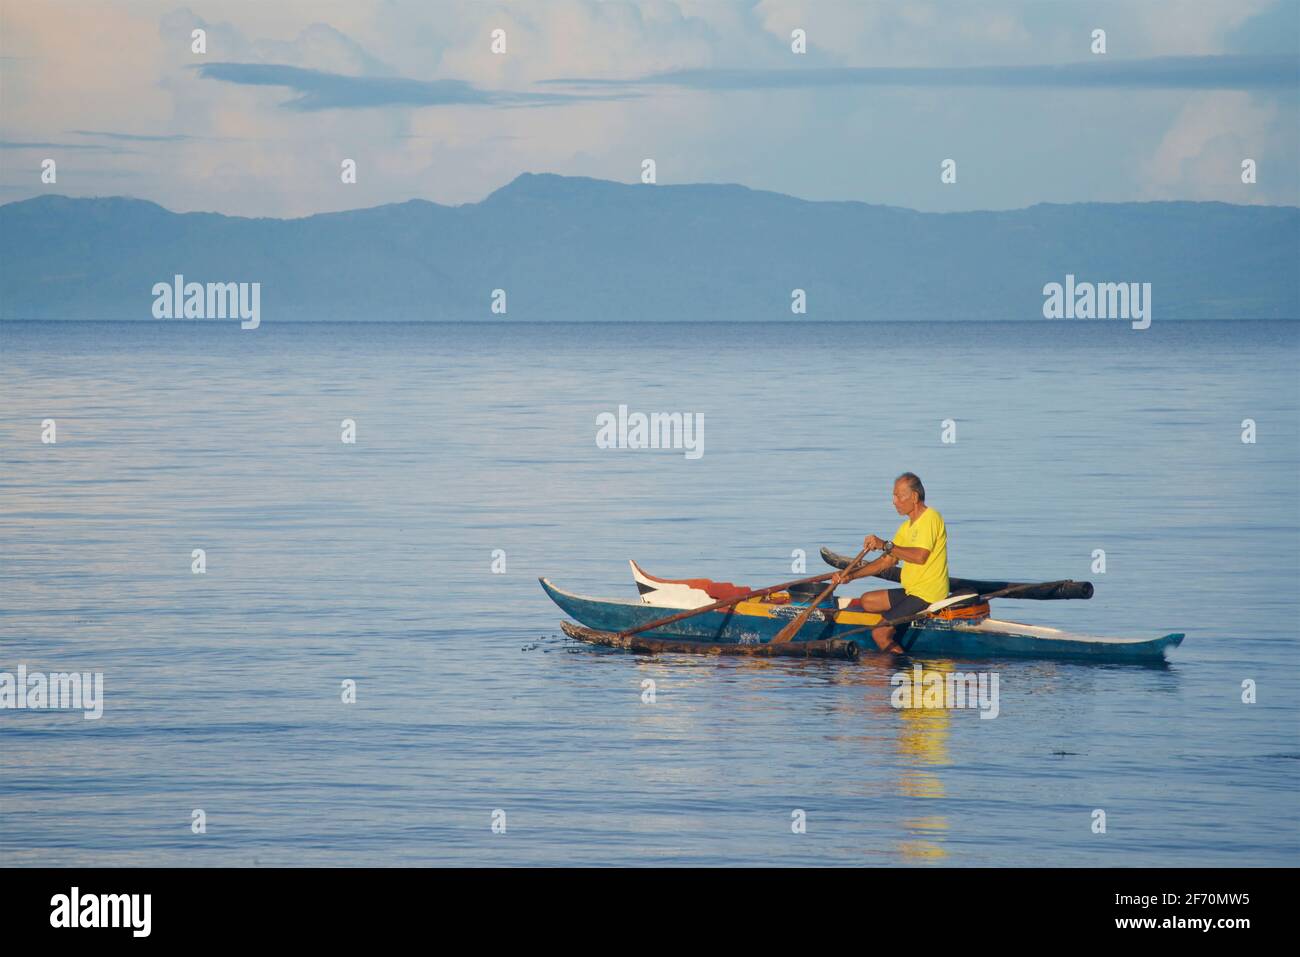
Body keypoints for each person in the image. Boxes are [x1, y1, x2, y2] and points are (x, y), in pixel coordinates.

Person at [830, 472, 949, 654]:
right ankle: (898, 625)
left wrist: (885, 544)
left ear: (915, 497)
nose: (894, 501)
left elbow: (919, 557)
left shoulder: (931, 518)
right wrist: (850, 576)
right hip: (913, 590)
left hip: (928, 593)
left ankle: (899, 670)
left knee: (879, 633)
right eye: (893, 496)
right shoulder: (905, 527)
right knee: (868, 601)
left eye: (899, 496)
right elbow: (887, 561)